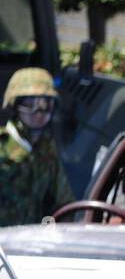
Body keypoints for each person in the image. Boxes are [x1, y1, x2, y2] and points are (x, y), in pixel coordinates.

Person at [1, 67, 73, 226]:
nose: (39, 112)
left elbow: (63, 201)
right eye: (29, 103)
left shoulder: (46, 148)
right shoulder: (3, 146)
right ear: (14, 105)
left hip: (31, 241)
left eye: (46, 104)